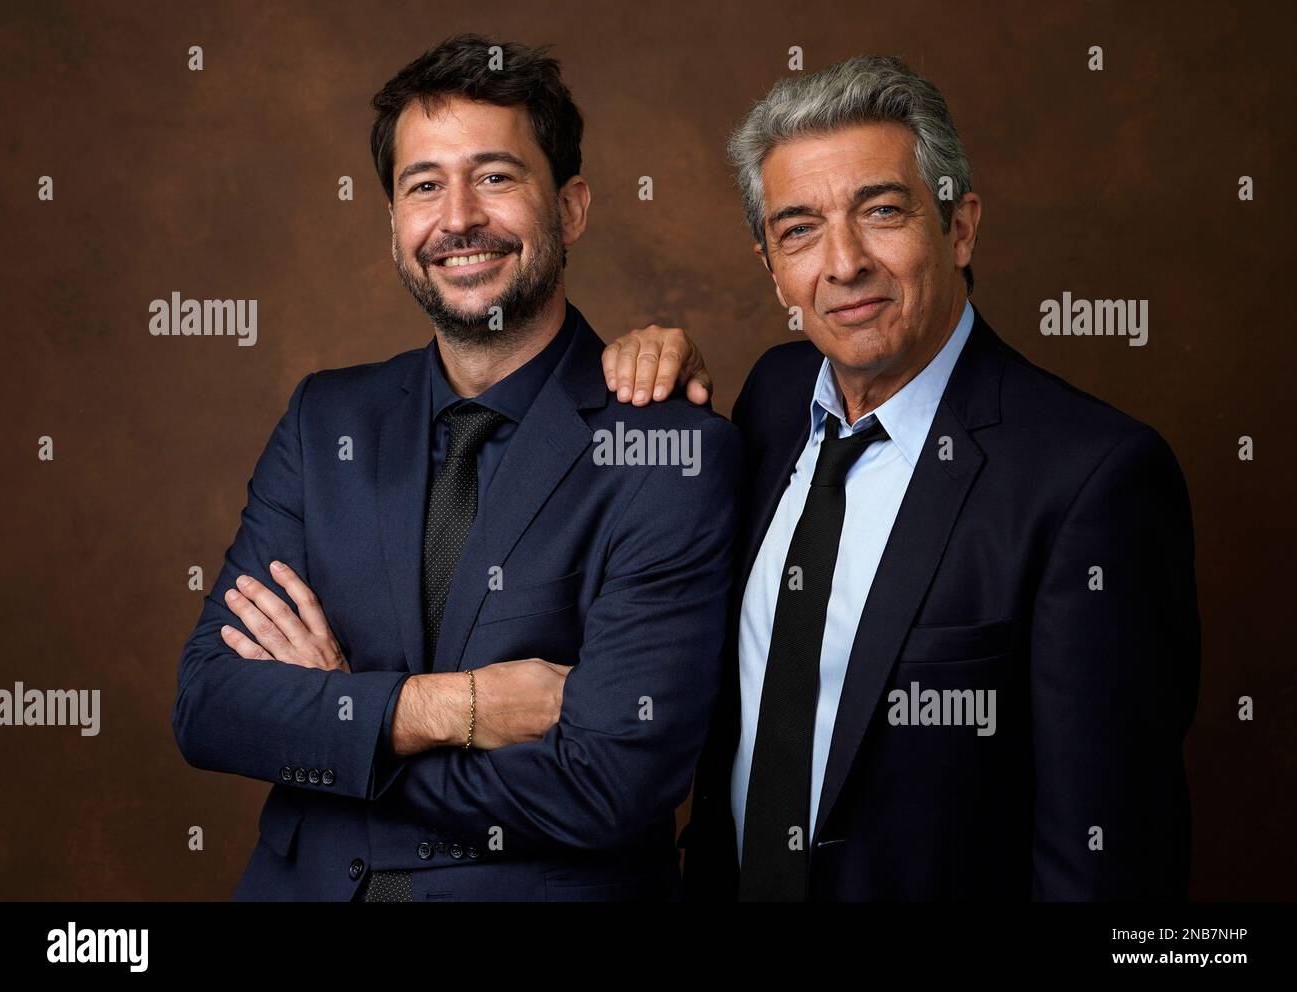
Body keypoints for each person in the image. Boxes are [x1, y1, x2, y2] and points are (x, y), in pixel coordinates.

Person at [604, 54, 1200, 900]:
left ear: (959, 228)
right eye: (799, 229)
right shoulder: (770, 403)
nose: (843, 264)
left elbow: (1107, 860)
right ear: (773, 267)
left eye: (881, 211)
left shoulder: (1094, 481)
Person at [171, 34, 740, 902]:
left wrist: (340, 723)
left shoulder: (667, 446)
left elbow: (608, 785)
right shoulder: (326, 419)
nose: (459, 216)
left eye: (497, 176)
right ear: (395, 224)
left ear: (573, 207)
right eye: (424, 184)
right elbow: (210, 703)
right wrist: (444, 710)